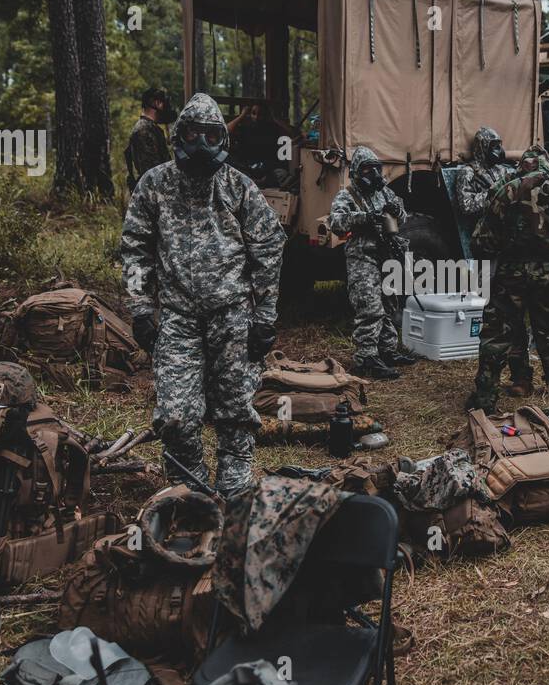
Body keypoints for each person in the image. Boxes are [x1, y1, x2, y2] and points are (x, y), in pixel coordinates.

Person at [121, 93, 286, 495]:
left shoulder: (238, 186)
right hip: (177, 317)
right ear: (178, 135)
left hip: (232, 315)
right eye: (192, 134)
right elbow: (135, 247)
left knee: (235, 407)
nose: (200, 144)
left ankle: (234, 480)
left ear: (222, 139)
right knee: (175, 414)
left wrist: (264, 317)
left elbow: (268, 246)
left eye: (210, 135)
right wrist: (141, 309)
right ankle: (187, 483)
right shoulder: (155, 184)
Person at [466, 145, 549, 414]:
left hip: (510, 276)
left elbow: (481, 242)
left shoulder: (505, 191)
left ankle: (485, 400)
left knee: (496, 337)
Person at [453, 126, 533, 396]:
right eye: (493, 145)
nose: (498, 150)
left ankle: (521, 374)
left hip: (512, 249)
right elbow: (464, 205)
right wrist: (494, 197)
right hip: (487, 249)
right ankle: (488, 381)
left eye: (500, 144)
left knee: (517, 315)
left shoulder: (507, 170)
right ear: (481, 147)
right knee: (492, 316)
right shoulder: (468, 172)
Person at [327, 147, 414, 380]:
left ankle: (386, 350)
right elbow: (336, 222)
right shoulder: (347, 196)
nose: (374, 174)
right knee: (369, 307)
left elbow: (402, 217)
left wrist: (398, 211)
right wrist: (365, 218)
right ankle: (366, 357)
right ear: (356, 172)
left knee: (389, 304)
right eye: (367, 170)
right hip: (362, 257)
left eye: (376, 169)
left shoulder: (384, 192)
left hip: (386, 255)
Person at [124, 87, 173, 193]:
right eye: (164, 103)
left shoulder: (151, 129)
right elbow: (152, 172)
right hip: (152, 193)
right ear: (157, 103)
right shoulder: (143, 131)